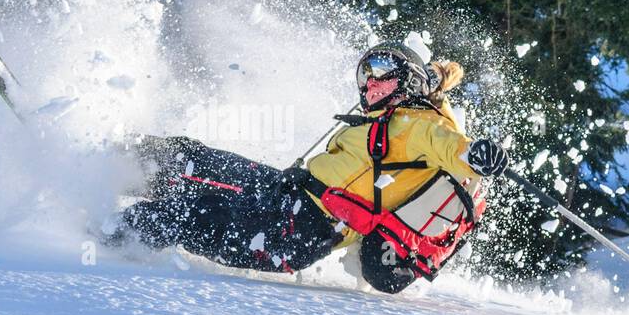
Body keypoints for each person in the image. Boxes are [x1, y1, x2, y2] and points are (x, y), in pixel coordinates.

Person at [104, 43, 509, 292]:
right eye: (364, 74)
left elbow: (452, 147)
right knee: (189, 159)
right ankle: (95, 165)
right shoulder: (393, 116)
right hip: (289, 193)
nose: (369, 83)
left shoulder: (419, 125)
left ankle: (88, 238)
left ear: (408, 82)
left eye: (382, 72)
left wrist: (477, 155)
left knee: (189, 212)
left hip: (298, 228)